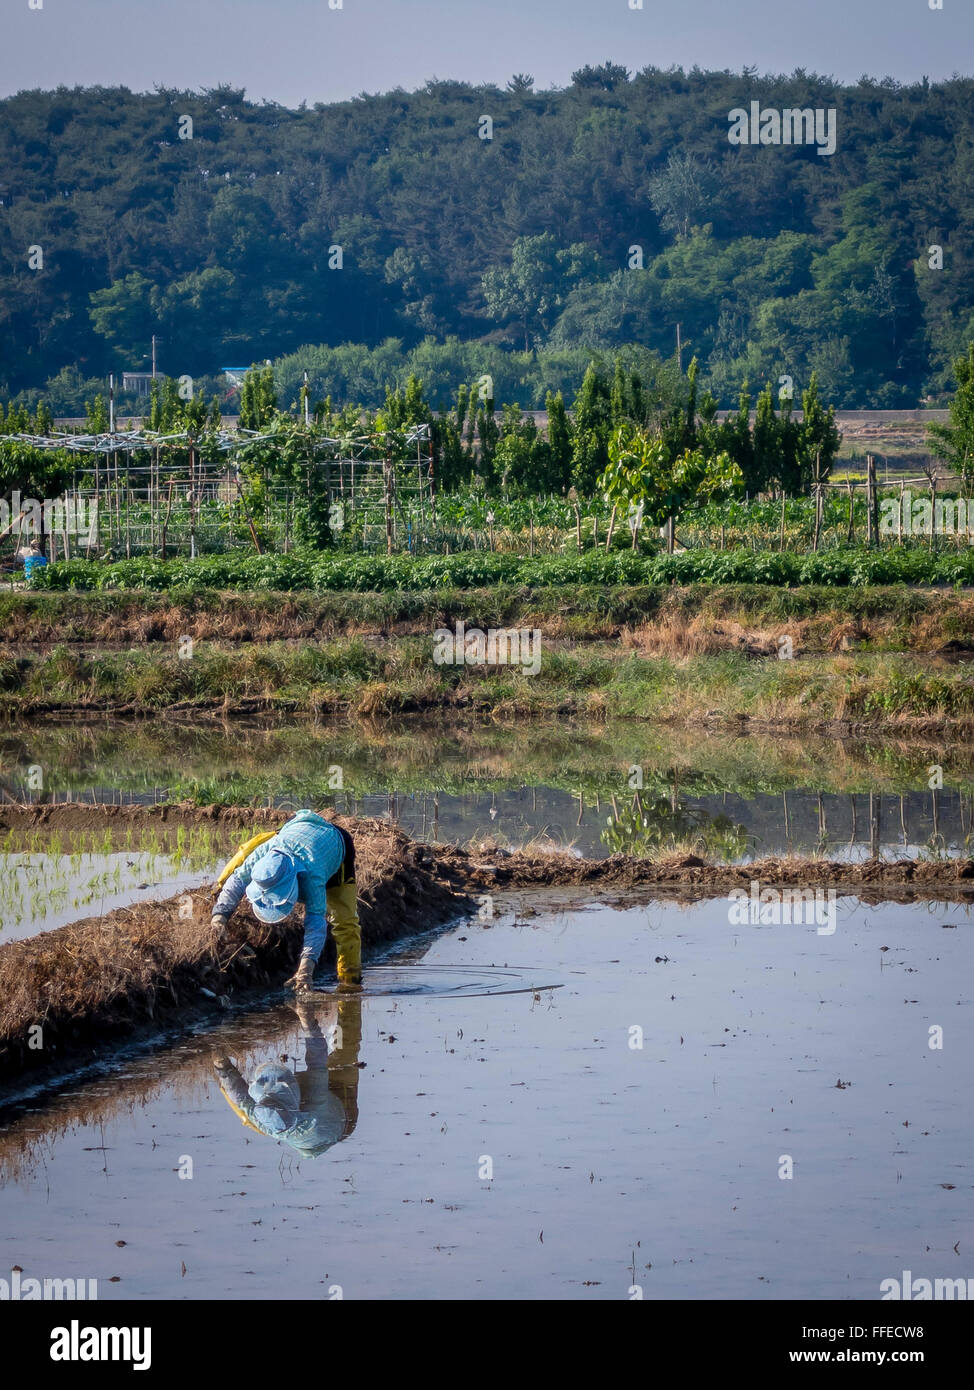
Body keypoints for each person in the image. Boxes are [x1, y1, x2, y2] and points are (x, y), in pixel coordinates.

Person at [211, 809, 361, 992]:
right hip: (295, 827)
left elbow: (316, 924)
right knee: (242, 857)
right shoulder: (264, 853)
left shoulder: (313, 878)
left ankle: (350, 981)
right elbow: (237, 880)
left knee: (345, 923)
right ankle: (217, 897)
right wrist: (220, 916)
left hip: (335, 846)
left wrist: (306, 969)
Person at [213, 996, 362, 1158]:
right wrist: (308, 1021)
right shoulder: (314, 1099)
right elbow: (317, 1058)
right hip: (342, 1112)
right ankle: (348, 994)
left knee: (247, 1115)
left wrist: (222, 1066)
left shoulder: (267, 1124)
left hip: (309, 1127)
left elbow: (241, 1098)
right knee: (343, 1049)